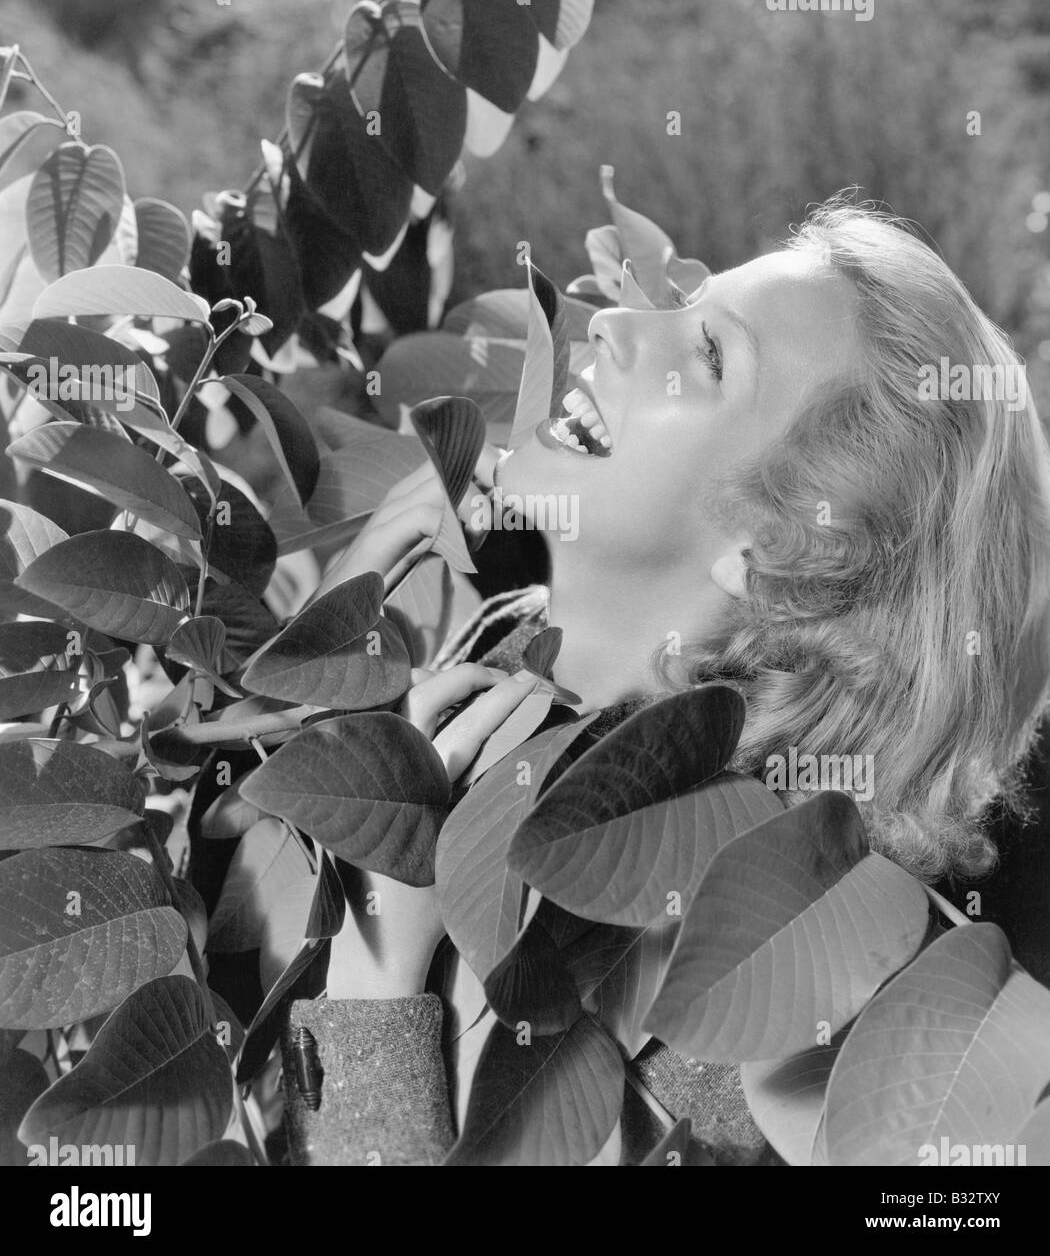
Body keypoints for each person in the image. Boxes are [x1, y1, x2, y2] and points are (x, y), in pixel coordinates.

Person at [279, 198, 1050, 1165]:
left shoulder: (721, 1029)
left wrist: (372, 992)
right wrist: (324, 662)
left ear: (782, 551)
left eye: (712, 354)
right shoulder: (480, 656)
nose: (612, 321)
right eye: (680, 306)